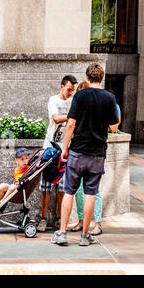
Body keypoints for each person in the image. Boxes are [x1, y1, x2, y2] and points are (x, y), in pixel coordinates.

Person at [52, 62, 119, 247]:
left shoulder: (80, 96)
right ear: (102, 78)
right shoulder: (109, 97)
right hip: (97, 153)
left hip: (78, 151)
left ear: (87, 78)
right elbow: (114, 127)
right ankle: (84, 235)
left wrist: (65, 148)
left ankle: (62, 233)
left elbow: (71, 124)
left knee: (69, 191)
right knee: (91, 193)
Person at [68, 80, 120, 235]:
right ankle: (83, 223)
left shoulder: (105, 101)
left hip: (90, 152)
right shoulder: (86, 102)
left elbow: (114, 126)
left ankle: (97, 223)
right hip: (88, 151)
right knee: (81, 191)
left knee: (92, 191)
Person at [38, 74, 77, 231]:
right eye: (68, 89)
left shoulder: (73, 101)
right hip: (50, 147)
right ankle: (43, 218)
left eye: (73, 90)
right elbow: (55, 118)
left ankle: (59, 219)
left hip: (66, 148)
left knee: (62, 187)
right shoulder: (53, 100)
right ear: (61, 86)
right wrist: (71, 117)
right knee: (46, 186)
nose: (70, 93)